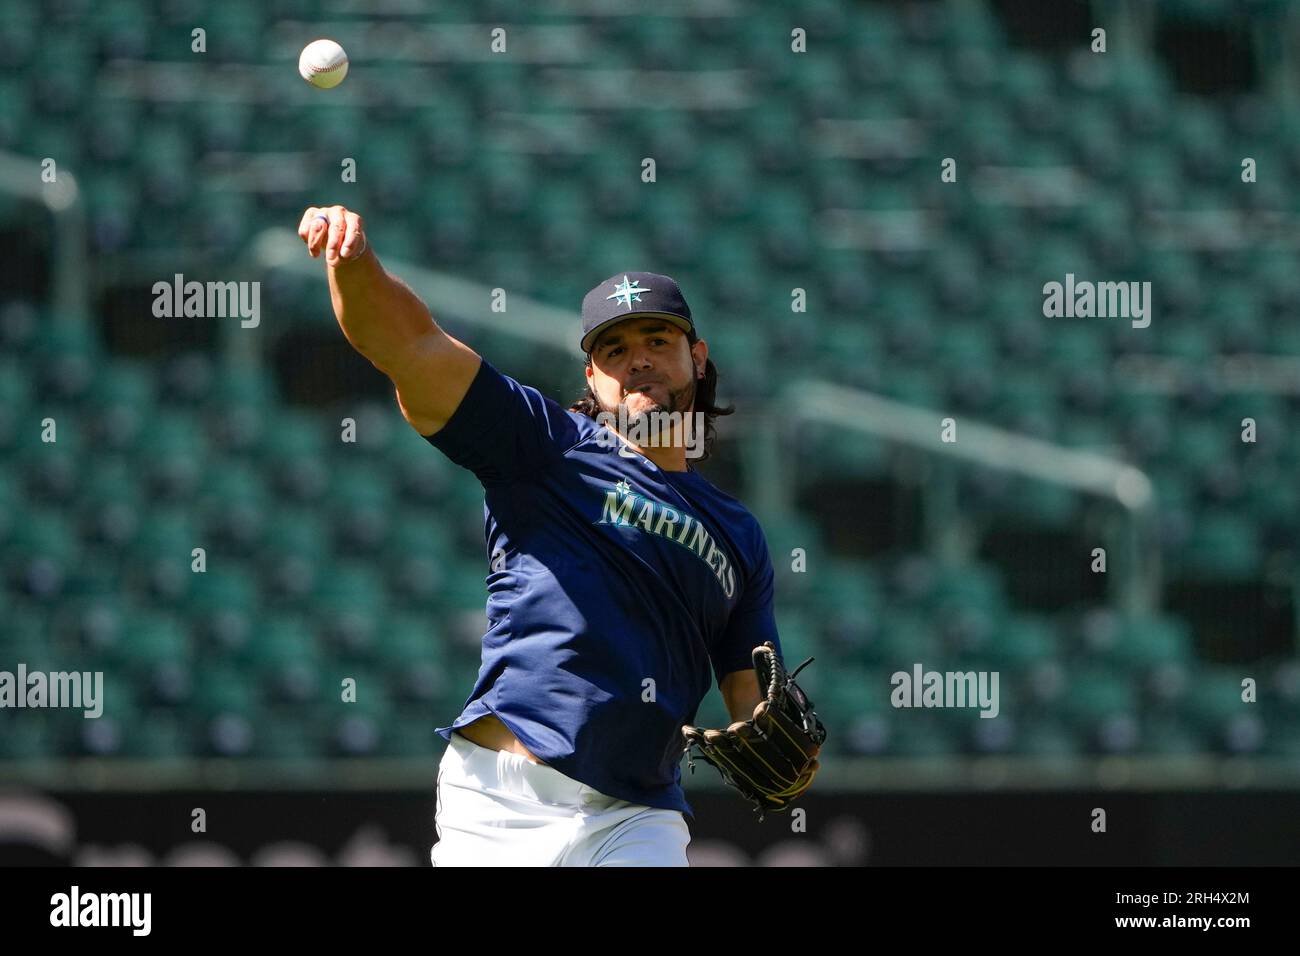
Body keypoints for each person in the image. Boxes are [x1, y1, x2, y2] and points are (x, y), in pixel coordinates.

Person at [300, 205, 795, 866]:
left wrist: (774, 729)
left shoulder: (739, 534)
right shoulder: (547, 446)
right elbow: (411, 347)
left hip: (639, 814)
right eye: (614, 349)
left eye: (658, 341)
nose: (639, 361)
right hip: (503, 800)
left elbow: (748, 681)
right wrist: (354, 265)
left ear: (697, 358)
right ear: (591, 376)